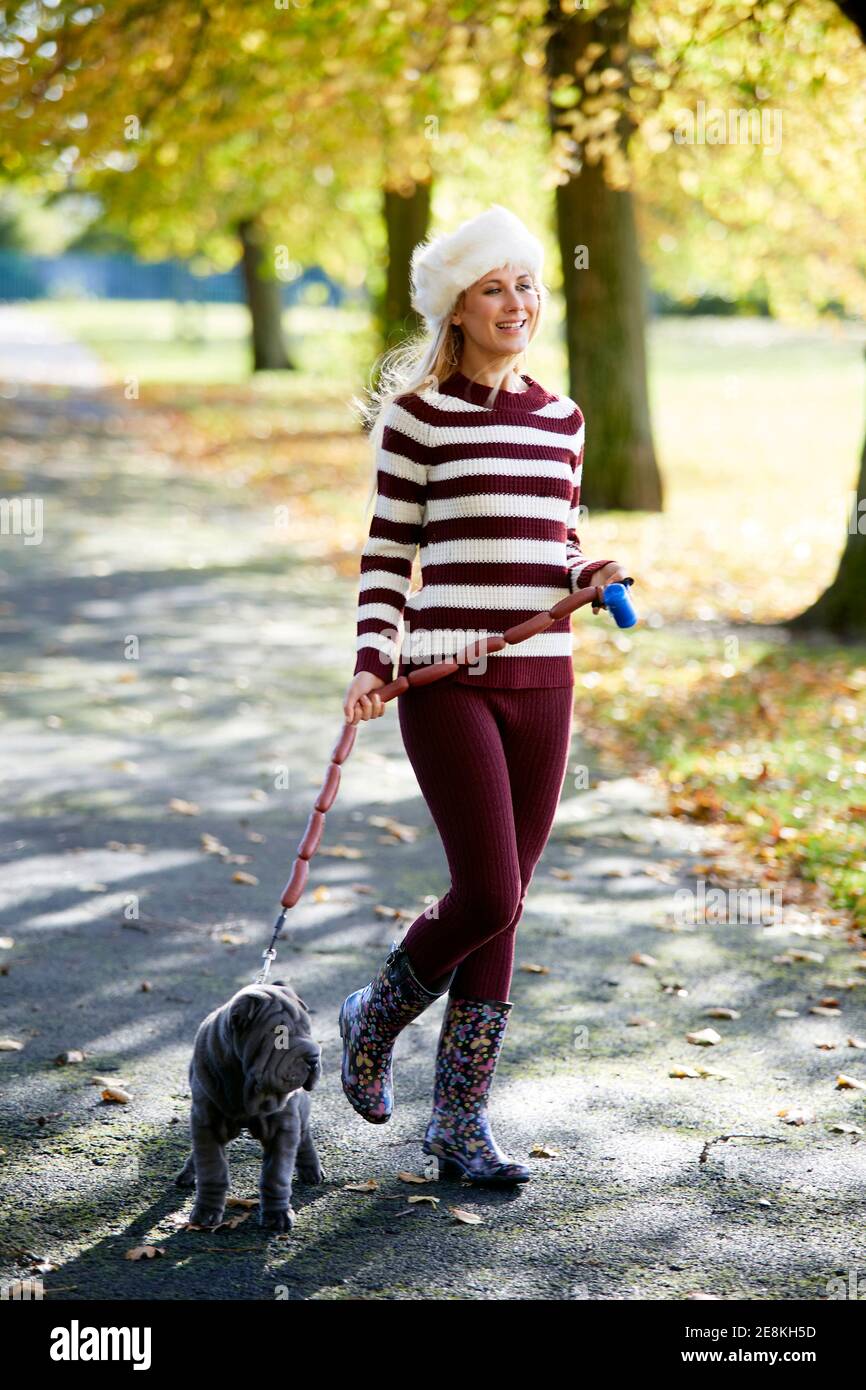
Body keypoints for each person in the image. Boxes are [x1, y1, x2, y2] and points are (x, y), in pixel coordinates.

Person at [338, 204, 629, 1186]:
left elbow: (549, 536)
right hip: (447, 679)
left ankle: (457, 1126)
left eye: (525, 285)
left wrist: (583, 567)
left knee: (507, 909)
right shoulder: (417, 418)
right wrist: (372, 659)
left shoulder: (561, 418)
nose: (516, 303)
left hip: (542, 679)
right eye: (494, 288)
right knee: (489, 890)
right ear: (455, 309)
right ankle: (374, 1014)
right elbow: (387, 556)